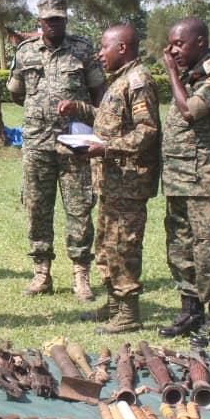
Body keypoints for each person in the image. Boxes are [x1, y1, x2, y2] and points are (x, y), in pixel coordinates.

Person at [56, 25, 161, 333]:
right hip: (112, 181)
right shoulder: (120, 81)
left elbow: (147, 132)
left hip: (129, 182)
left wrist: (105, 148)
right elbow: (111, 123)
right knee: (106, 245)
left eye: (104, 47)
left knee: (123, 247)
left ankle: (129, 314)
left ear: (123, 48)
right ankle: (114, 305)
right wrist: (81, 109)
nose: (99, 53)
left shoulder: (138, 81)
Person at [6, 0, 105, 301]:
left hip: (75, 142)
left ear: (65, 20)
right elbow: (16, 93)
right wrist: (41, 111)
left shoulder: (82, 50)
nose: (53, 24)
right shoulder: (25, 52)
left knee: (79, 208)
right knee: (37, 207)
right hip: (37, 142)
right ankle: (41, 272)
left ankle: (81, 274)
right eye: (48, 19)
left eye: (59, 19)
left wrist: (92, 124)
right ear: (40, 21)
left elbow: (99, 91)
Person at [156, 17, 210, 346]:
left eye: (179, 44)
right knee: (180, 247)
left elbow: (189, 111)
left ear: (200, 43)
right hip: (178, 176)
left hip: (207, 178)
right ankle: (191, 310)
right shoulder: (192, 75)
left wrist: (172, 73)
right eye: (171, 44)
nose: (172, 50)